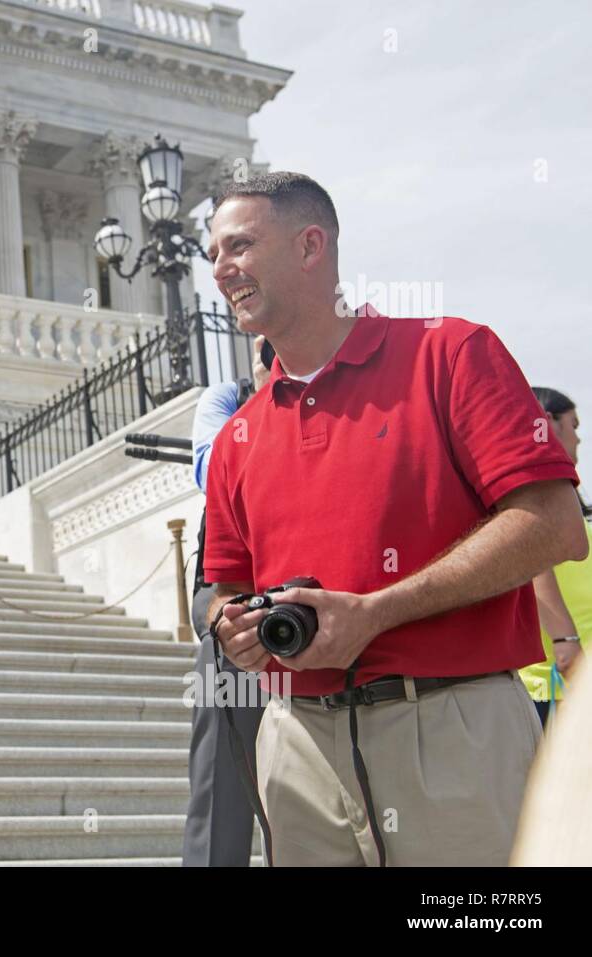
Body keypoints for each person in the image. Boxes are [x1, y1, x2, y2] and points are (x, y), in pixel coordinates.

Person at [202, 171, 586, 866]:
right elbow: (224, 587)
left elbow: (556, 524)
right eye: (213, 256)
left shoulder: (452, 353)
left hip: (454, 730)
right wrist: (230, 626)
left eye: (239, 246)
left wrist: (377, 610)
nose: (220, 270)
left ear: (311, 245)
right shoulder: (236, 438)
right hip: (298, 748)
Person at [182, 336, 272, 867]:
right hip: (229, 590)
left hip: (313, 591)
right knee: (223, 779)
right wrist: (267, 397)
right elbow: (214, 477)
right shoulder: (225, 398)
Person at [520, 387, 590, 725]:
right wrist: (566, 642)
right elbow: (535, 562)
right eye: (573, 425)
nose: (579, 438)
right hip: (557, 680)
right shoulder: (534, 484)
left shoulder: (564, 490)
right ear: (548, 422)